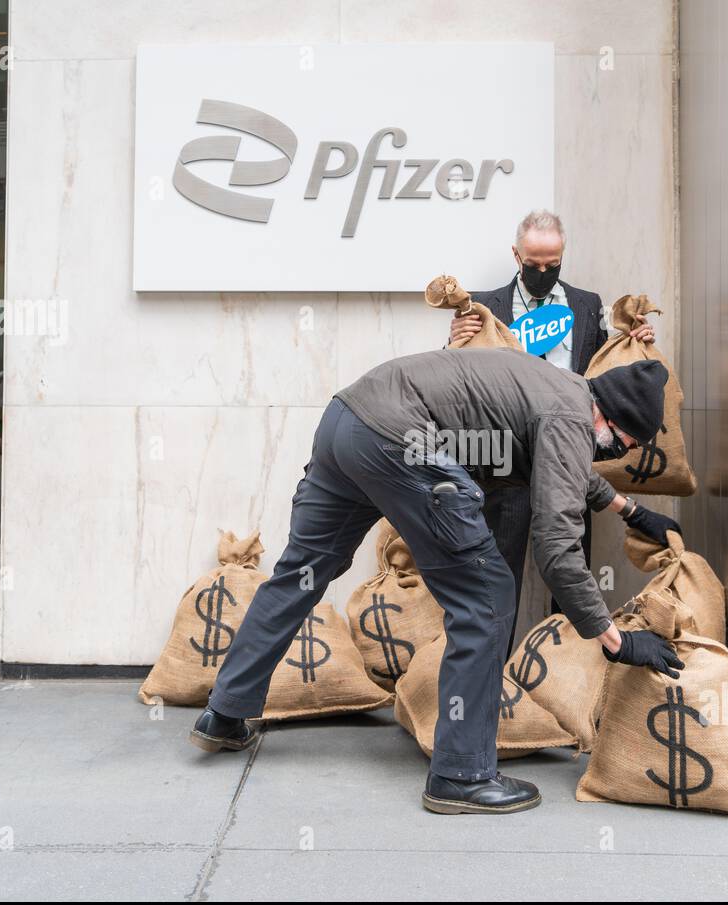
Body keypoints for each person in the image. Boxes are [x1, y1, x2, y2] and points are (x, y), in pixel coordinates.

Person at [191, 347, 684, 814]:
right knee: (487, 595)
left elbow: (570, 472)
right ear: (611, 422)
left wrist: (632, 511)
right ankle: (463, 776)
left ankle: (227, 710)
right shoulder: (572, 418)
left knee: (300, 574)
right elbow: (556, 548)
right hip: (399, 442)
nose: (617, 455)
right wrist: (615, 641)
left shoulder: (562, 391)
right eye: (624, 446)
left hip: (346, 421)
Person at [448, 210, 658, 644]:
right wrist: (454, 341)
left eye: (552, 264)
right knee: (497, 576)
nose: (542, 272)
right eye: (533, 263)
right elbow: (455, 378)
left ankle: (568, 678)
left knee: (571, 568)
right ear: (515, 255)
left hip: (570, 457)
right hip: (505, 462)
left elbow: (608, 372)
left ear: (563, 255)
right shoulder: (484, 306)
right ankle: (493, 678)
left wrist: (636, 342)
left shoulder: (587, 305)